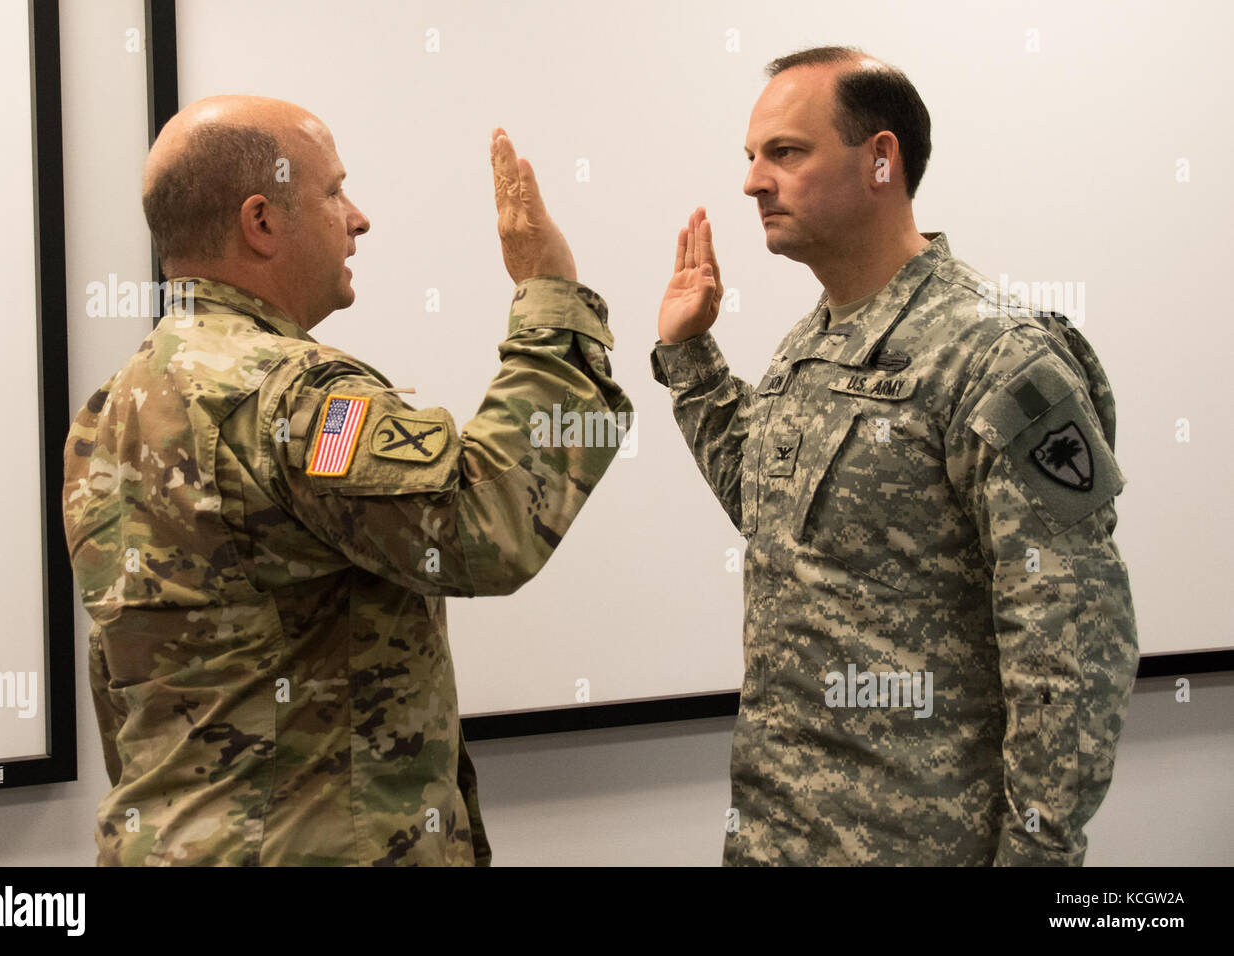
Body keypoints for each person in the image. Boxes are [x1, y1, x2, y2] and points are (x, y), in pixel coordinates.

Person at [62, 95, 630, 865]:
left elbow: (122, 680)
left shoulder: (109, 412)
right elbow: (486, 525)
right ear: (260, 222)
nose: (357, 218)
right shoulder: (292, 396)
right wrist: (551, 302)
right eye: (334, 192)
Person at [651, 47, 1138, 865]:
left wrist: (1038, 856)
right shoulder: (811, 342)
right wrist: (692, 358)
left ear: (881, 160)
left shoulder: (998, 357)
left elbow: (1073, 640)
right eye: (751, 158)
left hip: (923, 842)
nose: (753, 182)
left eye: (786, 153)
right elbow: (775, 516)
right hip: (779, 833)